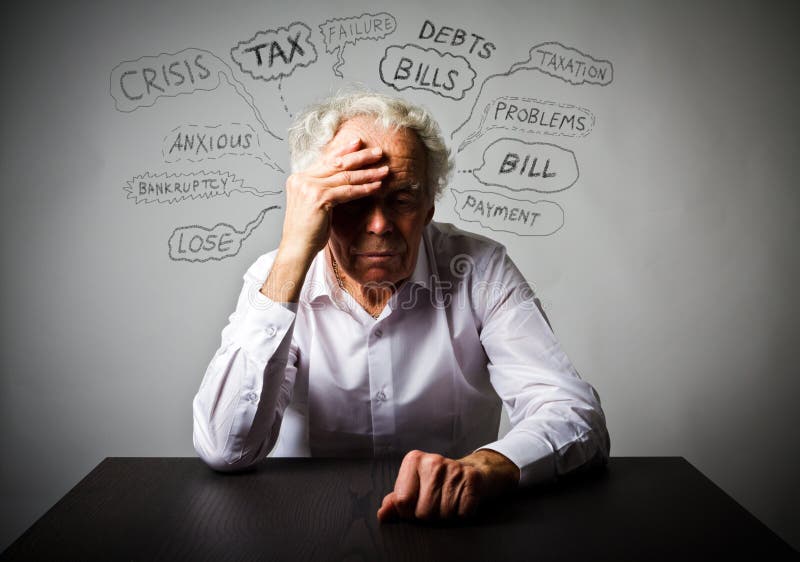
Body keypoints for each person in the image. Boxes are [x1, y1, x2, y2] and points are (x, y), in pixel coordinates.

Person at [192, 90, 610, 522]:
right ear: (319, 205)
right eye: (352, 200)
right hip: (306, 526)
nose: (379, 225)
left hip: (453, 528)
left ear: (429, 206)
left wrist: (487, 467)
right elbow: (226, 449)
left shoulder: (481, 270)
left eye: (402, 199)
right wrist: (294, 251)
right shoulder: (276, 277)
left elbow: (575, 415)